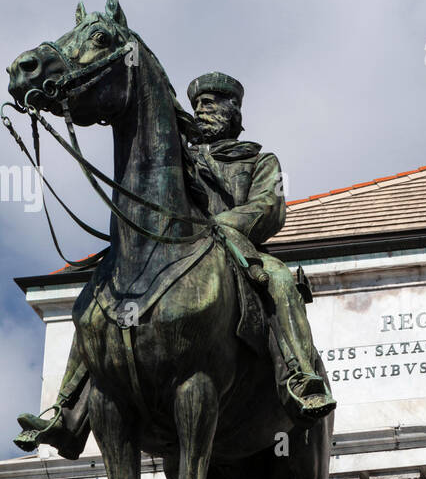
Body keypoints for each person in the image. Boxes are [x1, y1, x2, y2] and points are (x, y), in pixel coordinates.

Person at [15, 71, 334, 457]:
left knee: (281, 280)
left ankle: (301, 378)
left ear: (234, 112)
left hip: (234, 244)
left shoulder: (259, 160)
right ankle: (67, 412)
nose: (203, 111)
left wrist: (222, 223)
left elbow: (269, 207)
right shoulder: (178, 156)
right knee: (99, 298)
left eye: (212, 104)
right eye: (198, 106)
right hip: (181, 250)